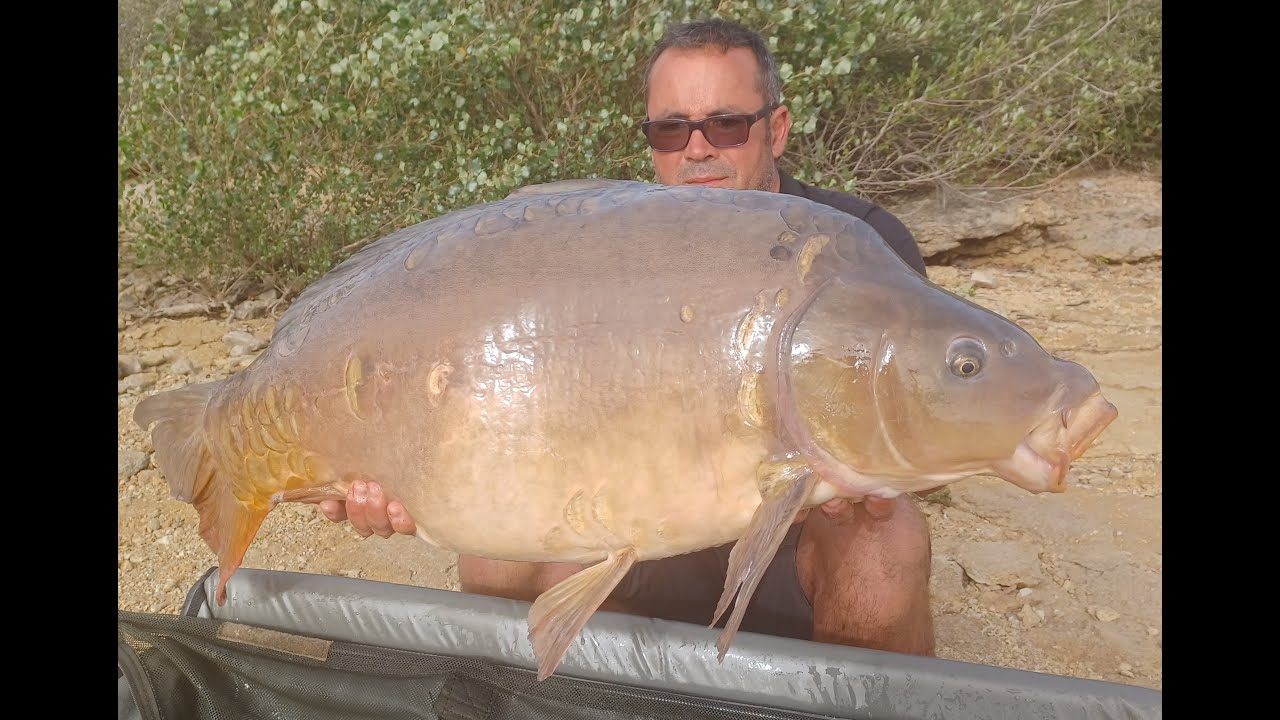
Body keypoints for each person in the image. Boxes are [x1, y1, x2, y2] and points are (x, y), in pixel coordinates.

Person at [319, 17, 937, 657]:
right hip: (641, 522)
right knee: (492, 557)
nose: (696, 149)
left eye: (725, 124)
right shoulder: (602, 242)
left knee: (883, 538)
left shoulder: (858, 245)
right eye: (671, 129)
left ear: (775, 130)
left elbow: (924, 418)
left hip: (795, 543)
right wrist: (394, 474)